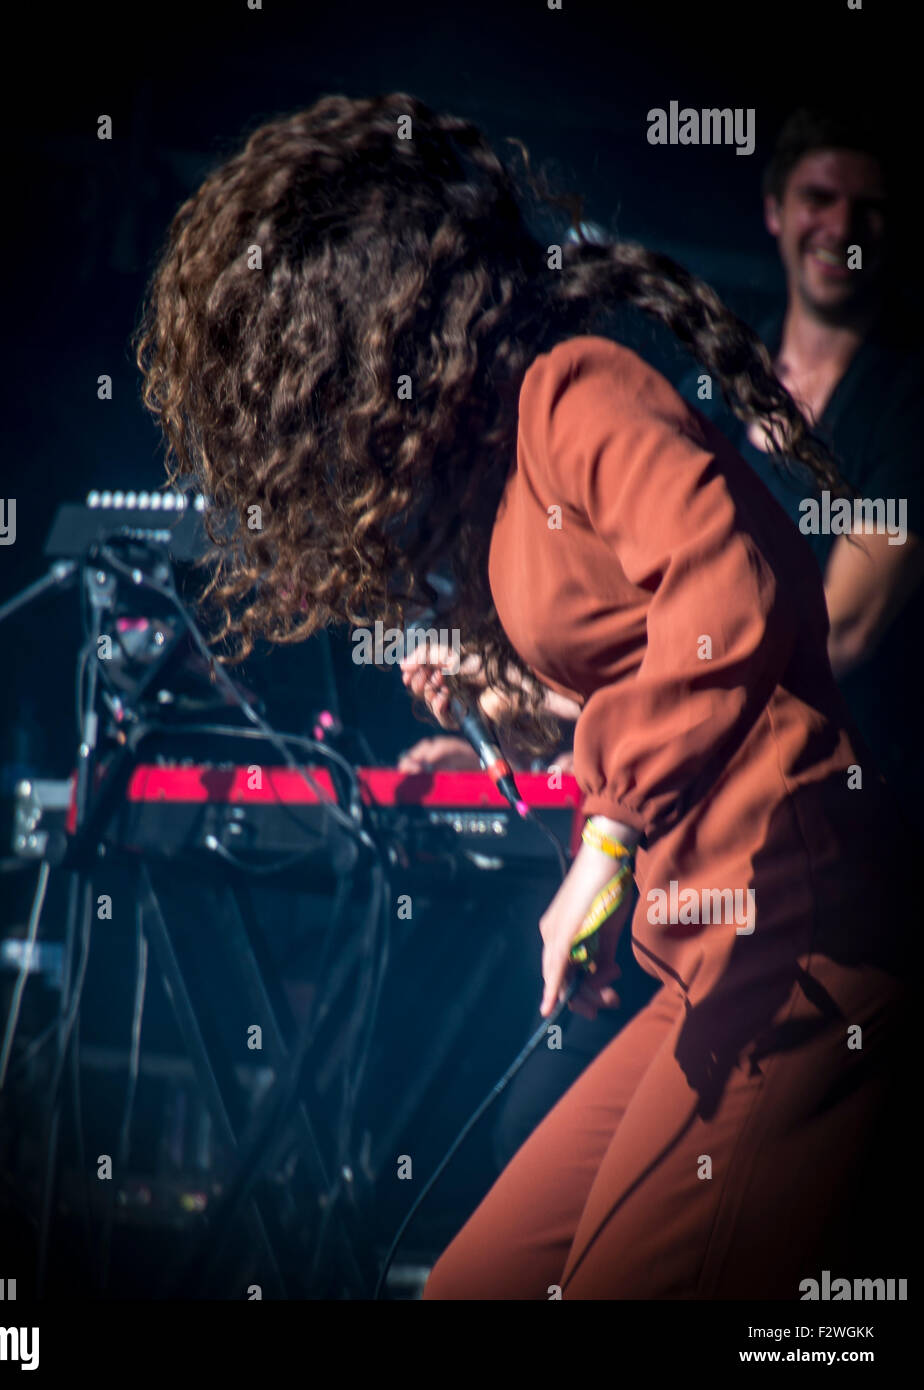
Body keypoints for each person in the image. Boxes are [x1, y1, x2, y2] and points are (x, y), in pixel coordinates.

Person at [133, 92, 911, 1299]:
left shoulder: (577, 389)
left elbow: (734, 591)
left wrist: (606, 835)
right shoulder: (503, 472)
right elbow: (647, 673)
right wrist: (521, 713)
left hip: (801, 939)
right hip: (692, 953)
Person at [682, 108, 923, 834]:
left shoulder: (908, 402)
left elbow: (839, 633)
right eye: (820, 199)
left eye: (869, 209)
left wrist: (624, 703)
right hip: (710, 792)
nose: (842, 228)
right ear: (775, 211)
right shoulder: (720, 382)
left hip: (860, 818)